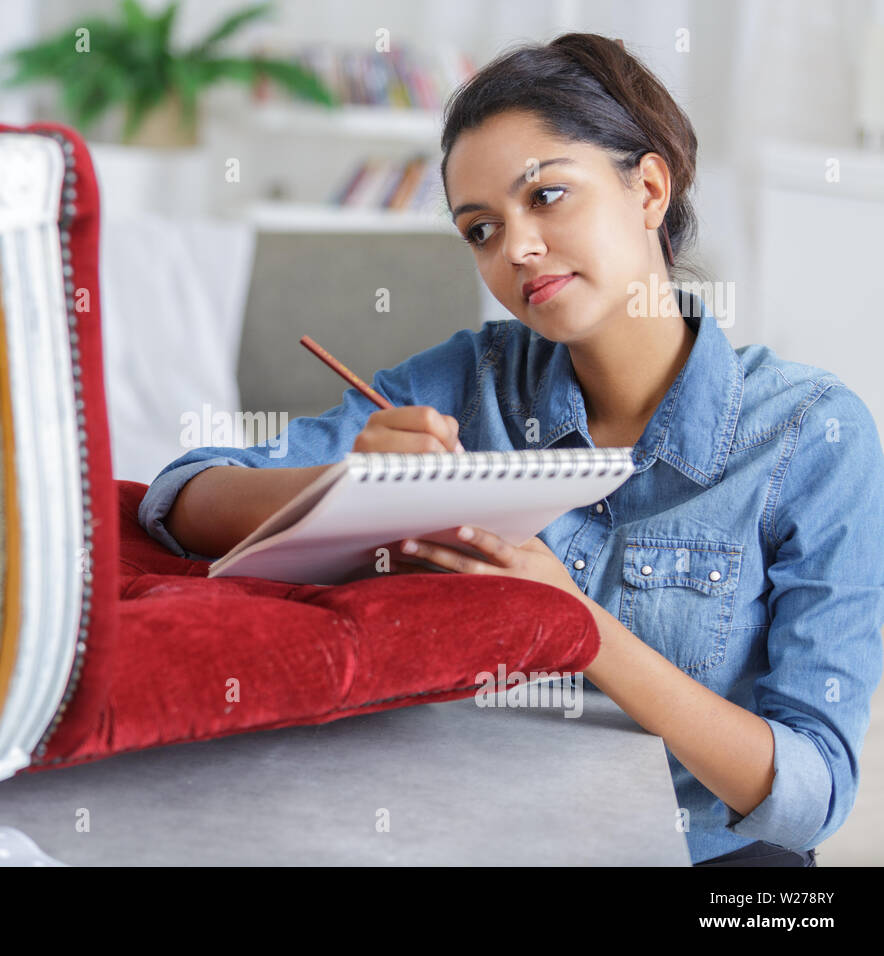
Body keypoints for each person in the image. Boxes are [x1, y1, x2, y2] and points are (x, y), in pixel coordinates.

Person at [137, 32, 884, 866]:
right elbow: (181, 498)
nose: (516, 249)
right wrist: (347, 484)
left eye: (549, 196)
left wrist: (583, 629)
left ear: (648, 188)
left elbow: (811, 795)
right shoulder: (466, 380)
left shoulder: (811, 434)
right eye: (481, 229)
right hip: (474, 834)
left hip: (702, 855)